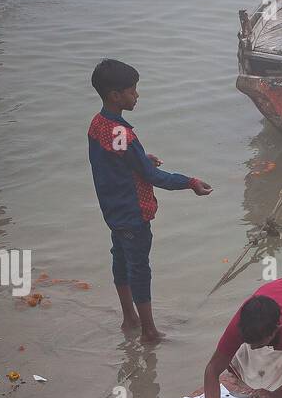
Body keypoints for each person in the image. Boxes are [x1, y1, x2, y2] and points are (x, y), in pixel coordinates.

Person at [88, 59, 212, 342]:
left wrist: (141, 158)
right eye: (132, 91)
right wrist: (190, 182)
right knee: (139, 269)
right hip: (133, 212)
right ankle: (149, 330)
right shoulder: (124, 133)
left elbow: (115, 159)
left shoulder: (99, 124)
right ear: (115, 95)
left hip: (112, 211)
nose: (137, 95)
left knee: (120, 261)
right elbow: (155, 178)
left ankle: (129, 318)